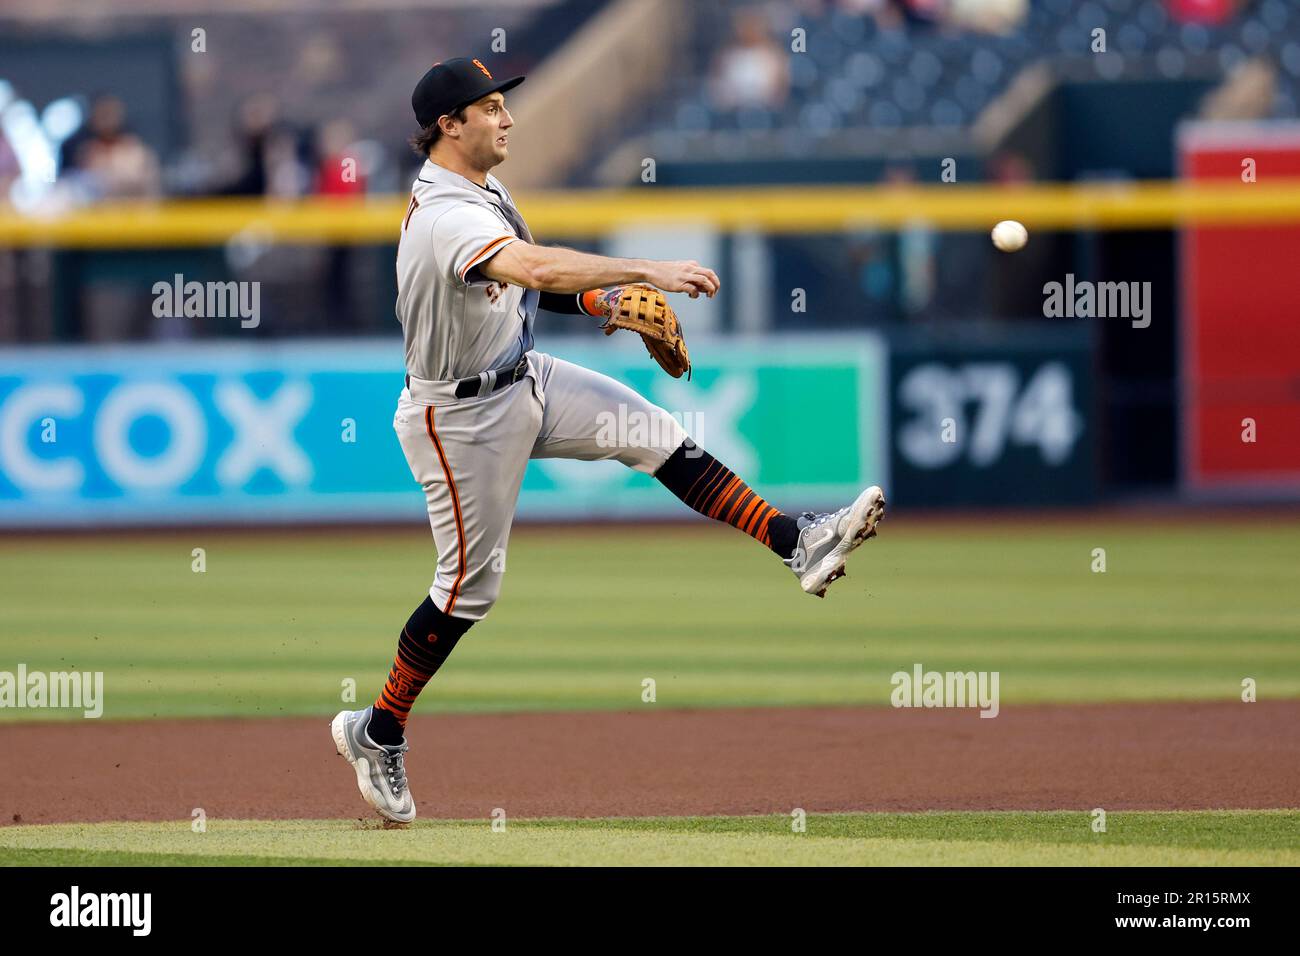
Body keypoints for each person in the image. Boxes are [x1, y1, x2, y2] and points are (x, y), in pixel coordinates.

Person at [330, 57, 886, 824]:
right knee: (467, 591)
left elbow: (534, 285)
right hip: (458, 419)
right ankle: (377, 730)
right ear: (449, 125)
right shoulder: (444, 215)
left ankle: (799, 542)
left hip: (520, 373)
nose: (508, 119)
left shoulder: (482, 191)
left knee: (654, 434)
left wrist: (606, 298)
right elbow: (532, 263)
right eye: (490, 108)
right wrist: (647, 268)